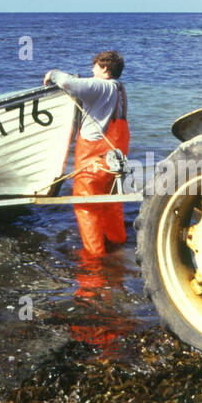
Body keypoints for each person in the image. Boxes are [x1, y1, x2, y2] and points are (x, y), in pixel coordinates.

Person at [44, 50, 130, 257]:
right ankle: (118, 245)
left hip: (94, 157)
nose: (92, 70)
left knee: (86, 205)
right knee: (110, 202)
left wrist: (52, 73)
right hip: (115, 156)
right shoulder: (119, 89)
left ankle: (95, 258)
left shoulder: (101, 86)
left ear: (105, 69)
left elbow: (69, 84)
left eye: (95, 66)